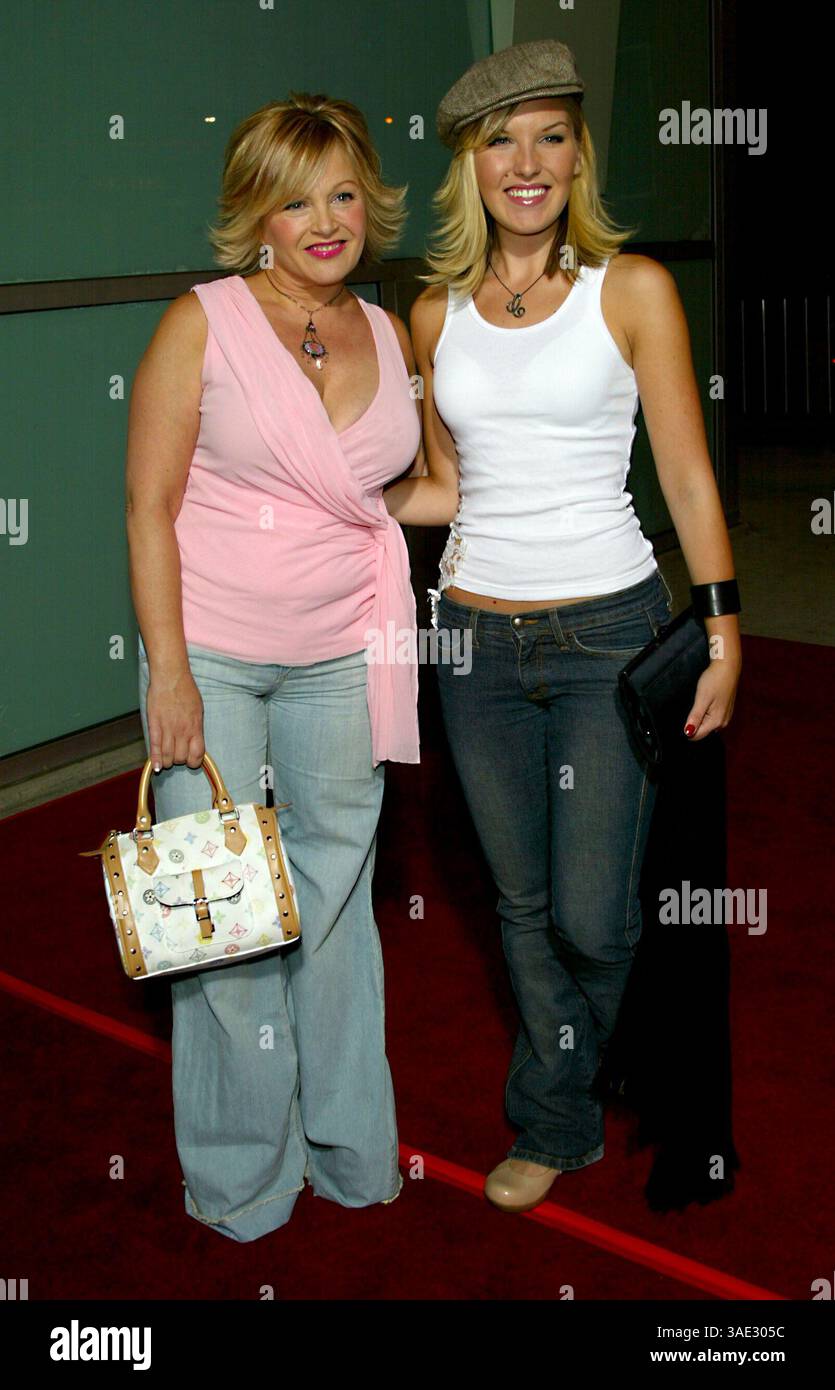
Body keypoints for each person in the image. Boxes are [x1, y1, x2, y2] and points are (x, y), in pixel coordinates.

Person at [383, 40, 742, 1214]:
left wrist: (724, 623)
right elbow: (440, 486)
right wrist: (329, 503)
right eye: (498, 139)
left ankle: (613, 1054)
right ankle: (557, 1113)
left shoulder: (629, 288)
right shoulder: (432, 314)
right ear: (467, 166)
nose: (522, 162)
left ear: (576, 151)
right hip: (476, 644)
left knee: (595, 912)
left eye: (547, 134)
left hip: (607, 635)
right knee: (521, 905)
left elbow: (684, 476)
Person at [125, 92, 426, 1241]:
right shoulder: (202, 321)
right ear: (256, 209)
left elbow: (384, 497)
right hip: (211, 656)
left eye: (343, 191)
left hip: (347, 651)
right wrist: (167, 673)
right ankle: (244, 1177)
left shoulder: (387, 331)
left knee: (339, 906)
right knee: (227, 921)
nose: (324, 218)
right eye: (295, 196)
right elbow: (148, 507)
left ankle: (351, 1151)